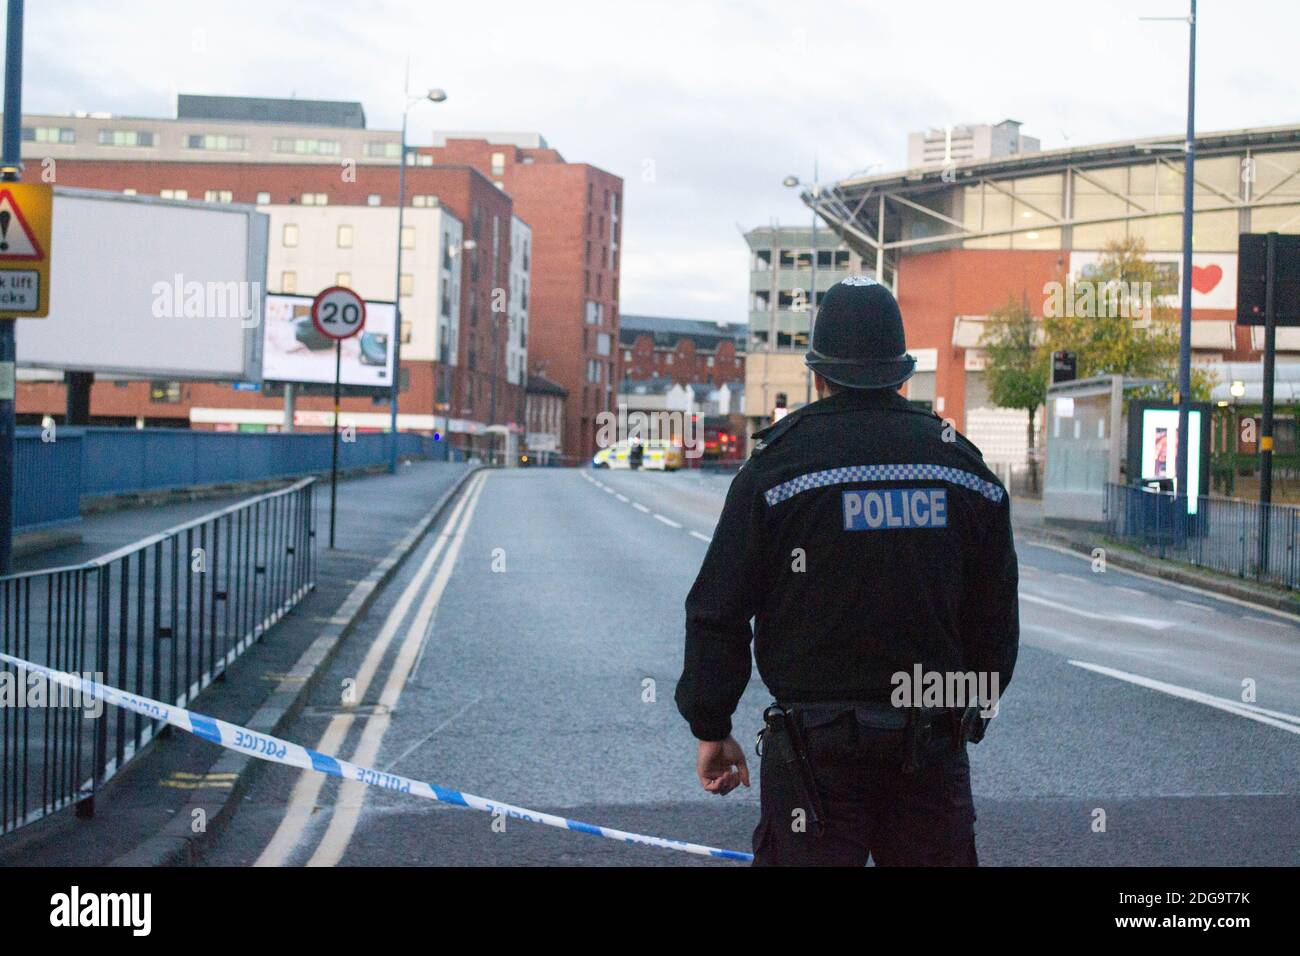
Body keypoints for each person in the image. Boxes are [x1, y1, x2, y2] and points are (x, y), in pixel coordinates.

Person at [674, 275, 1019, 866]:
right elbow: (994, 618)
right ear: (903, 375)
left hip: (814, 761)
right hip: (930, 749)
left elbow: (718, 610)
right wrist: (969, 715)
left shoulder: (776, 471)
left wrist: (713, 725)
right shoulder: (964, 471)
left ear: (819, 375)